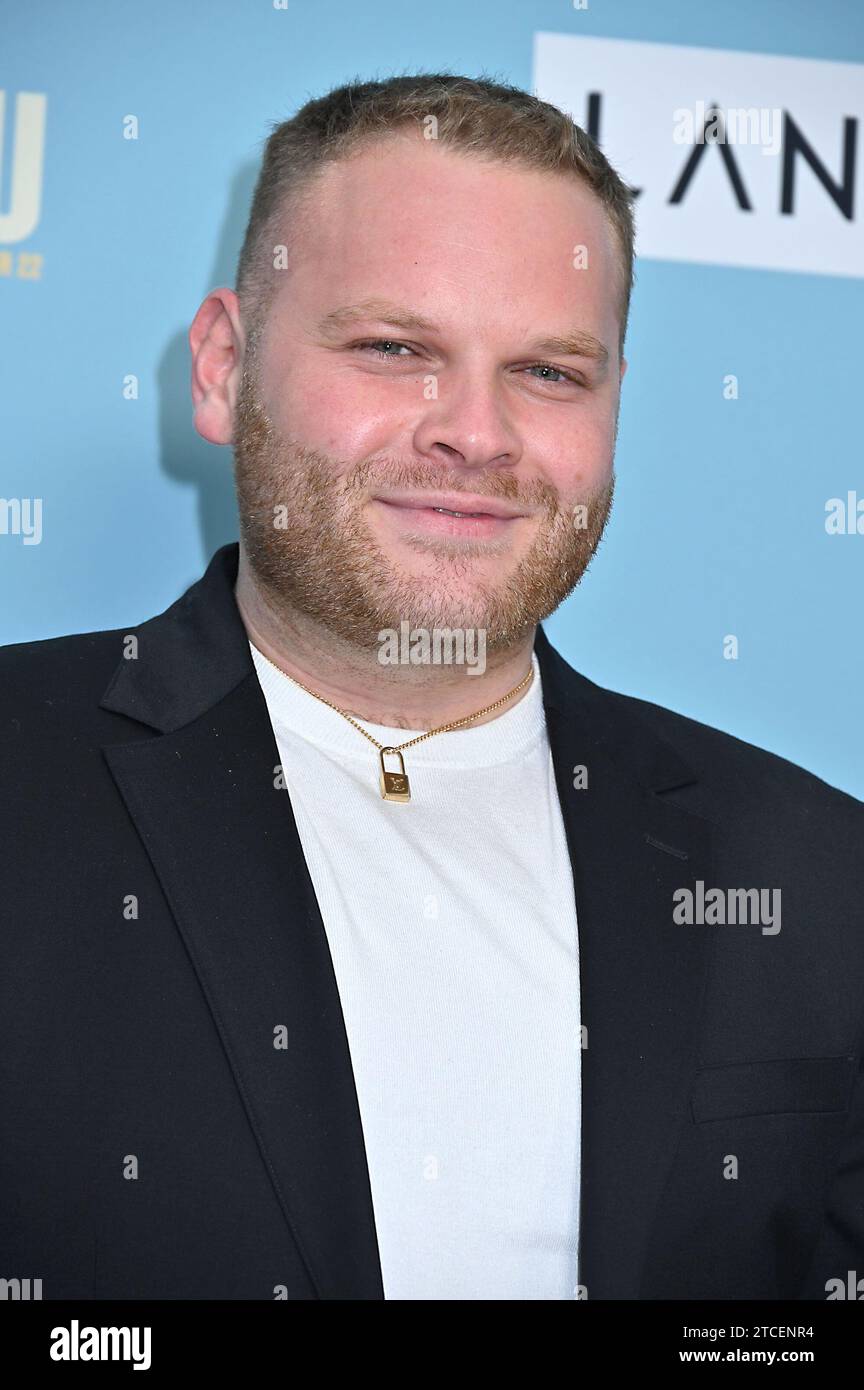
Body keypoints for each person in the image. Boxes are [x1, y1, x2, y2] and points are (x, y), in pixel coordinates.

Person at [1, 74, 861, 1302]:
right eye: (396, 349)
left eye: (551, 373)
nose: (476, 432)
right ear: (222, 369)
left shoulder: (812, 868)